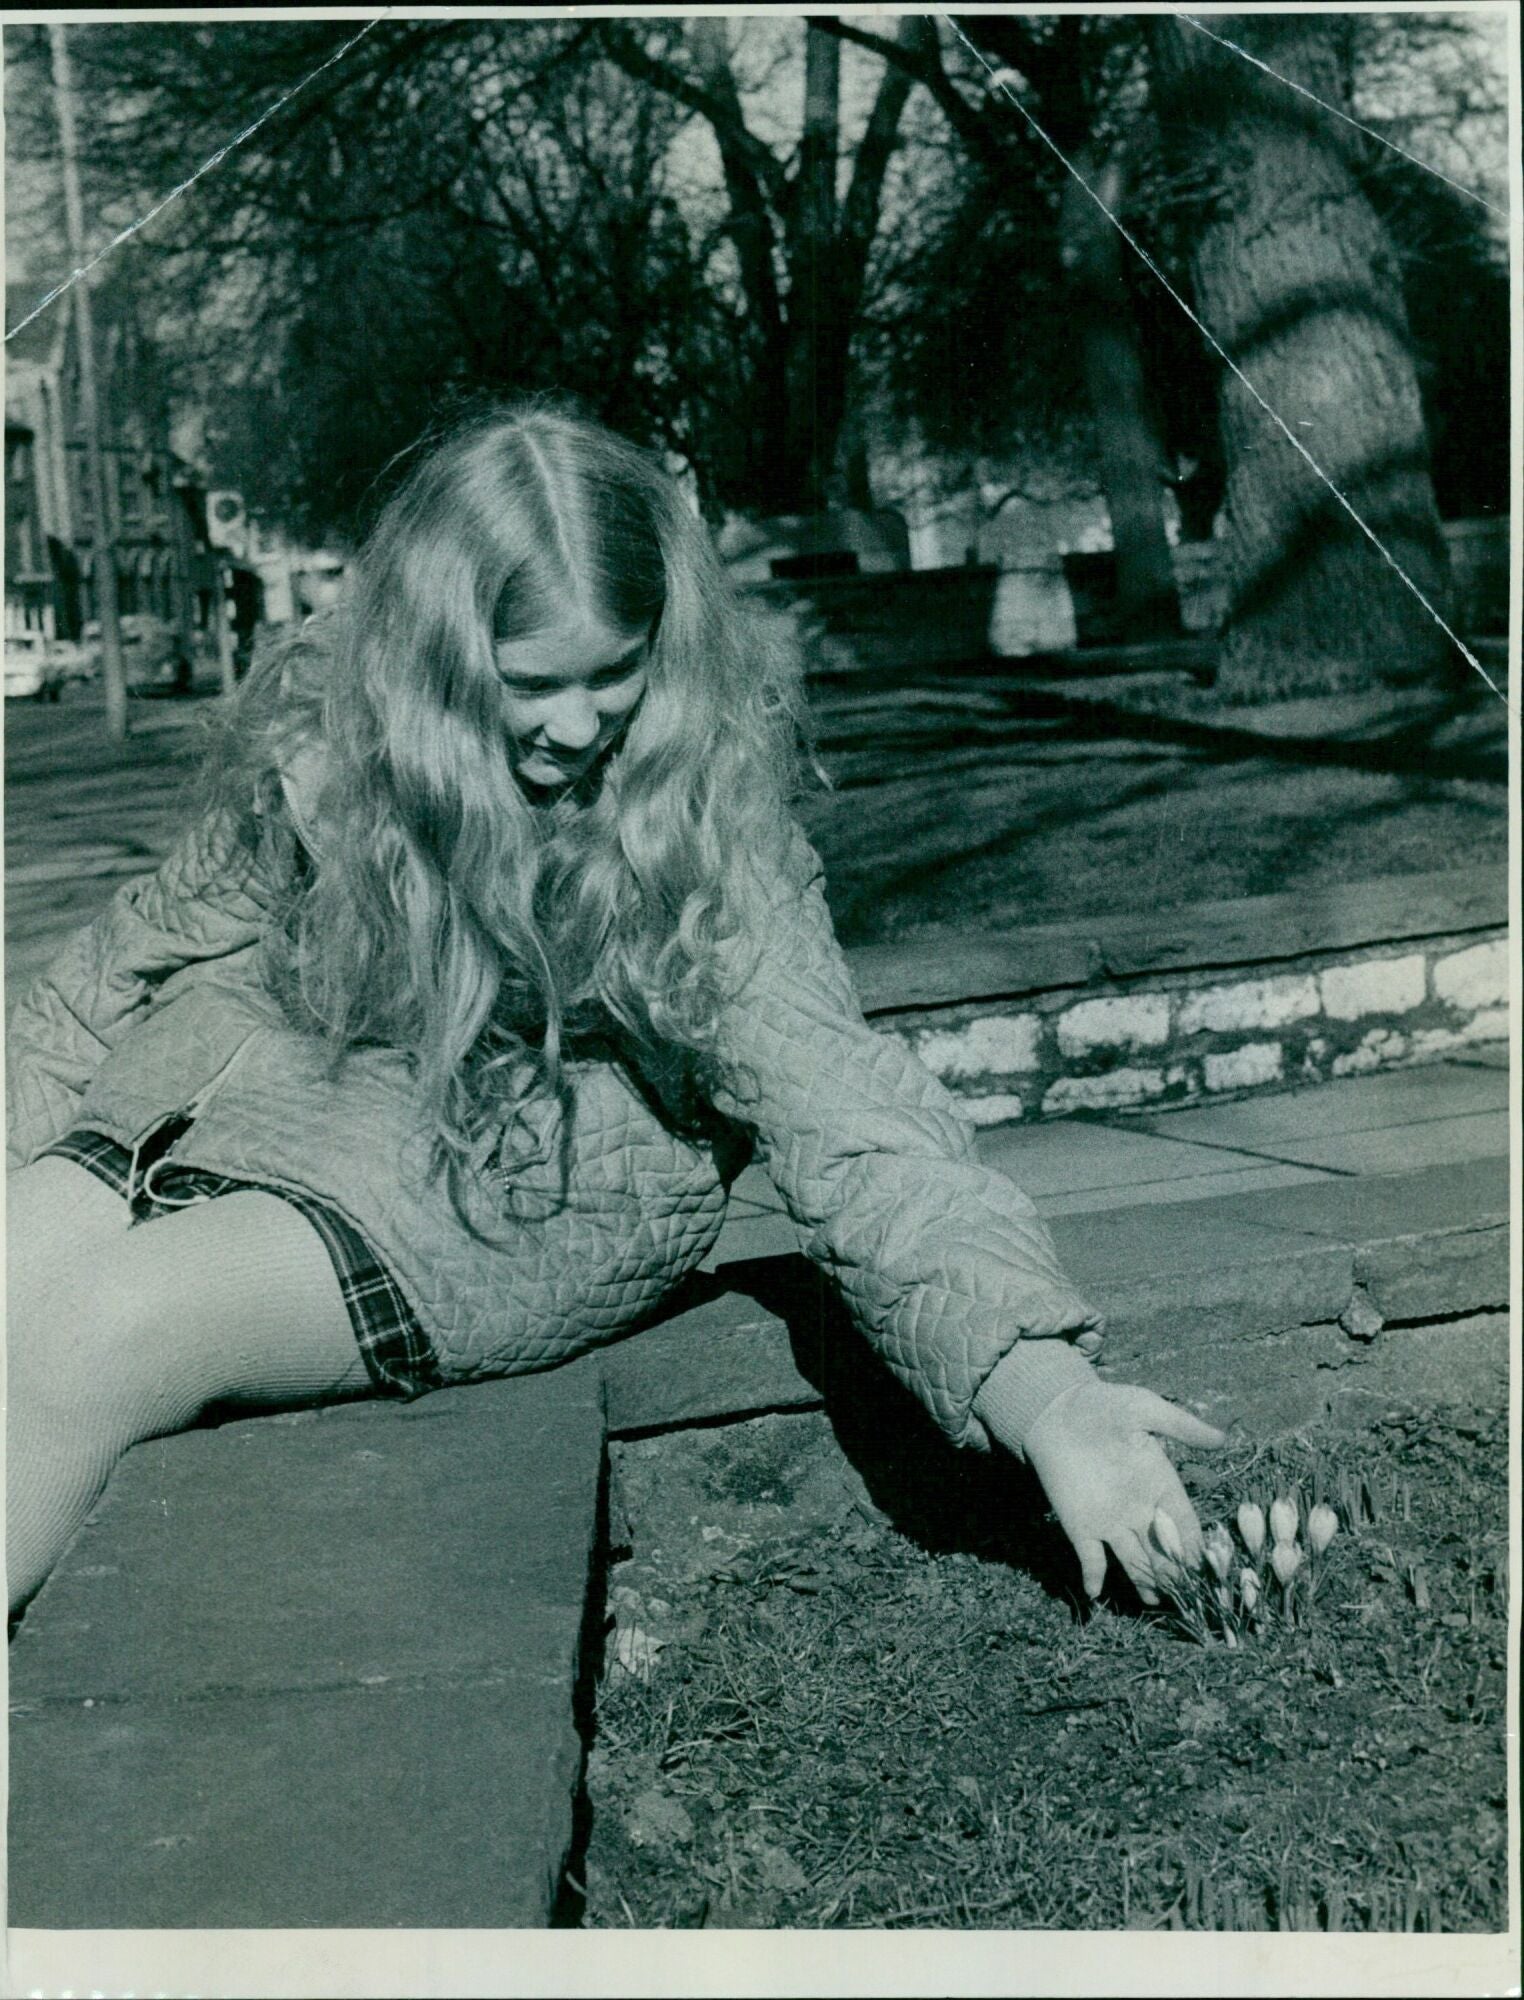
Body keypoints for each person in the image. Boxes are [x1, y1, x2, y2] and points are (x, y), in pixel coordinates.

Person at [5, 402, 1223, 1618]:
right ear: (431, 655)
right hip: (255, 1087)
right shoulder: (337, 737)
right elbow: (125, 960)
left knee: (112, 1325)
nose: (581, 724)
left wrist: (1047, 1390)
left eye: (614, 671)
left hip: (525, 1174)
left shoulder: (701, 823)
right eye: (532, 681)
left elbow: (851, 1115)